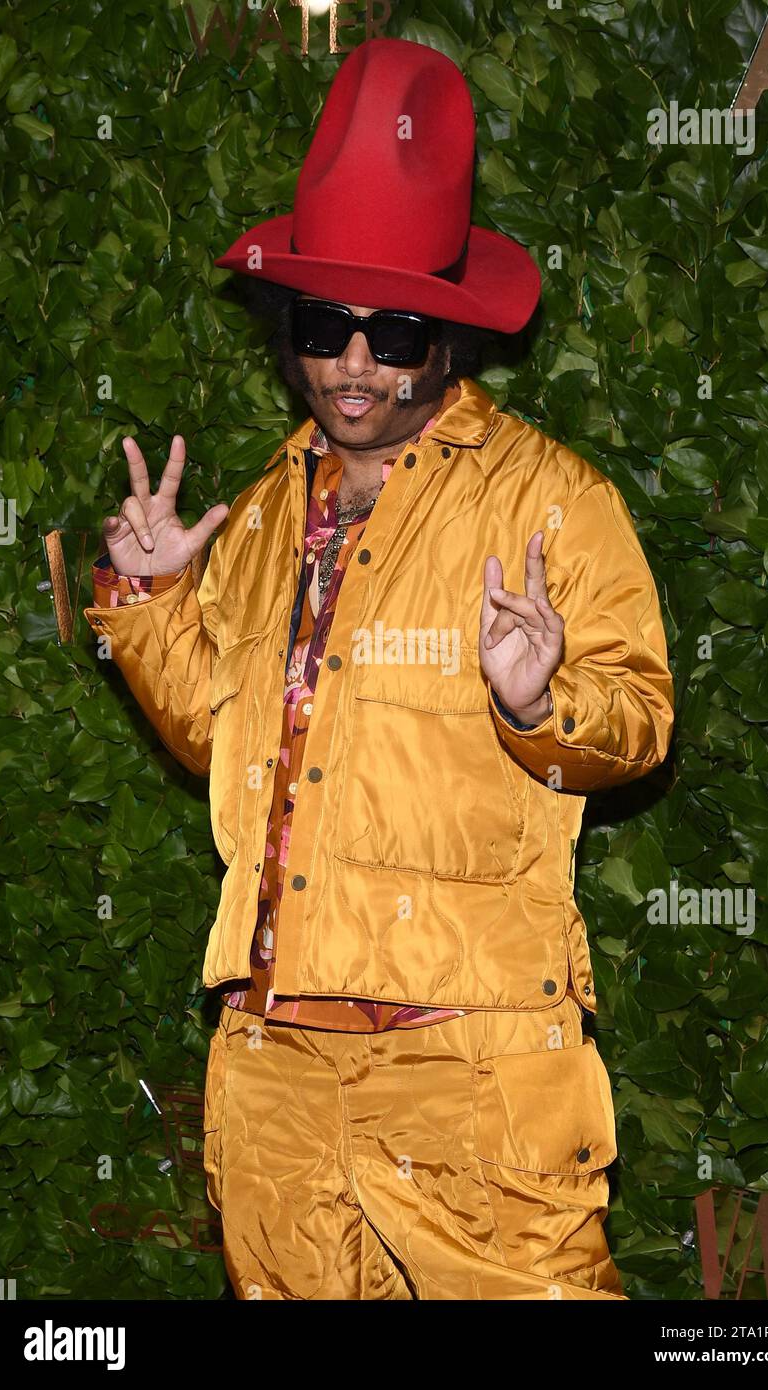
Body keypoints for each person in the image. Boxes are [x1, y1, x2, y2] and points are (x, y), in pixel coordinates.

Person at [84, 36, 674, 1300]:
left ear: (449, 335)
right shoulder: (263, 505)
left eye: (394, 328)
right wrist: (148, 600)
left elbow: (637, 724)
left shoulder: (552, 503)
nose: (353, 363)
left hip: (468, 1067)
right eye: (324, 324)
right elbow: (220, 737)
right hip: (273, 1054)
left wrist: (538, 700)